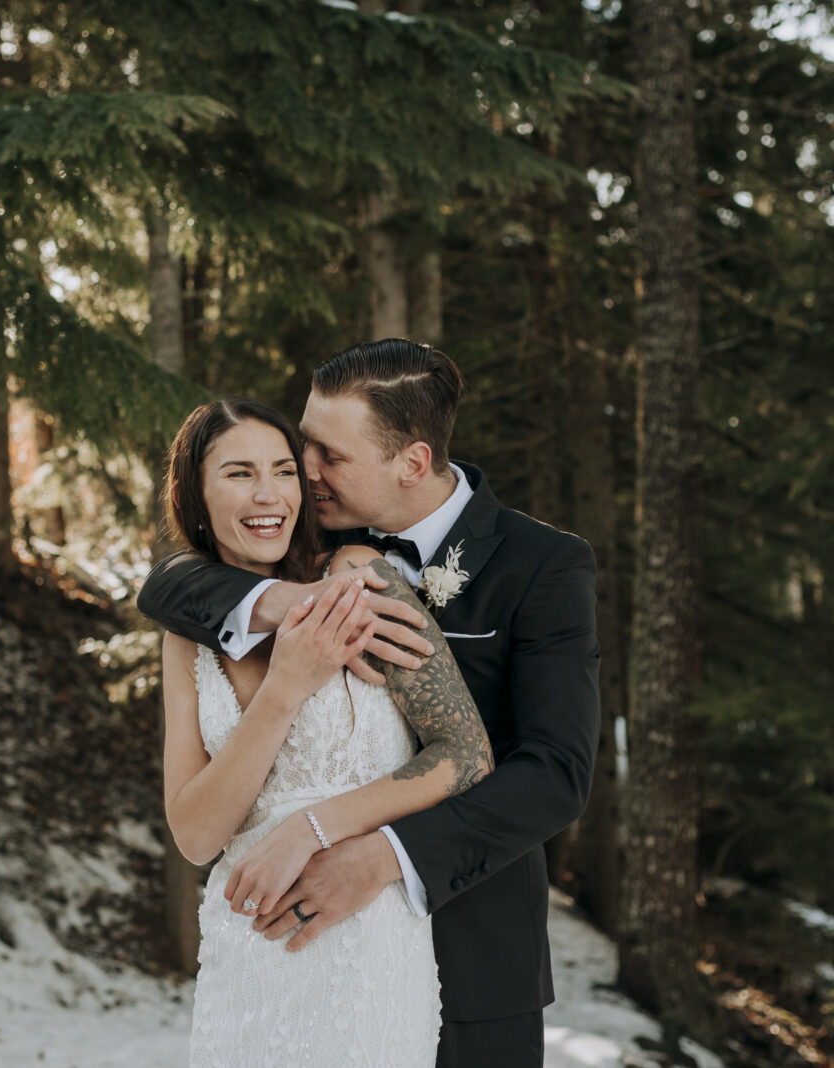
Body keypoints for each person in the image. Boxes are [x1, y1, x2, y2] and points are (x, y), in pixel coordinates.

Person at [139, 339, 601, 1068]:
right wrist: (296, 603)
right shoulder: (319, 535)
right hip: (281, 952)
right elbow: (171, 582)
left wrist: (384, 857)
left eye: (325, 456)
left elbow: (555, 773)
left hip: (475, 951)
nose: (303, 474)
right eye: (303, 448)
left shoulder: (540, 564)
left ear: (411, 463)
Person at [155, 397, 495, 1067]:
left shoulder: (359, 579)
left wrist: (311, 830)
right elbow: (195, 836)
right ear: (195, 491)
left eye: (283, 471)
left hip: (366, 950)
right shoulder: (185, 637)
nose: (268, 494)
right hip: (248, 955)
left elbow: (464, 753)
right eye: (238, 473)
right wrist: (286, 686)